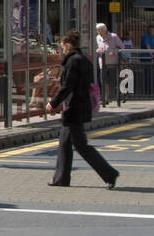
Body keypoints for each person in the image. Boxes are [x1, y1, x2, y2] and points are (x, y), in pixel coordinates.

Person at [48, 31, 119, 189]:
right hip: (80, 105)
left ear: (68, 45)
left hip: (75, 107)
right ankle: (61, 178)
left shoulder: (74, 61)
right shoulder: (84, 59)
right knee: (64, 143)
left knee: (81, 145)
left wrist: (53, 103)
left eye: (62, 48)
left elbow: (68, 86)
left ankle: (109, 173)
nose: (62, 51)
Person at [95, 22, 125, 101]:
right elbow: (99, 47)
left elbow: (122, 47)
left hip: (114, 63)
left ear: (105, 30)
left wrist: (114, 52)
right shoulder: (97, 37)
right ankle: (106, 98)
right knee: (103, 81)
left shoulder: (113, 36)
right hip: (103, 63)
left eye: (100, 30)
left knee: (116, 80)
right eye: (98, 30)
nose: (99, 32)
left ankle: (121, 96)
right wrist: (98, 50)